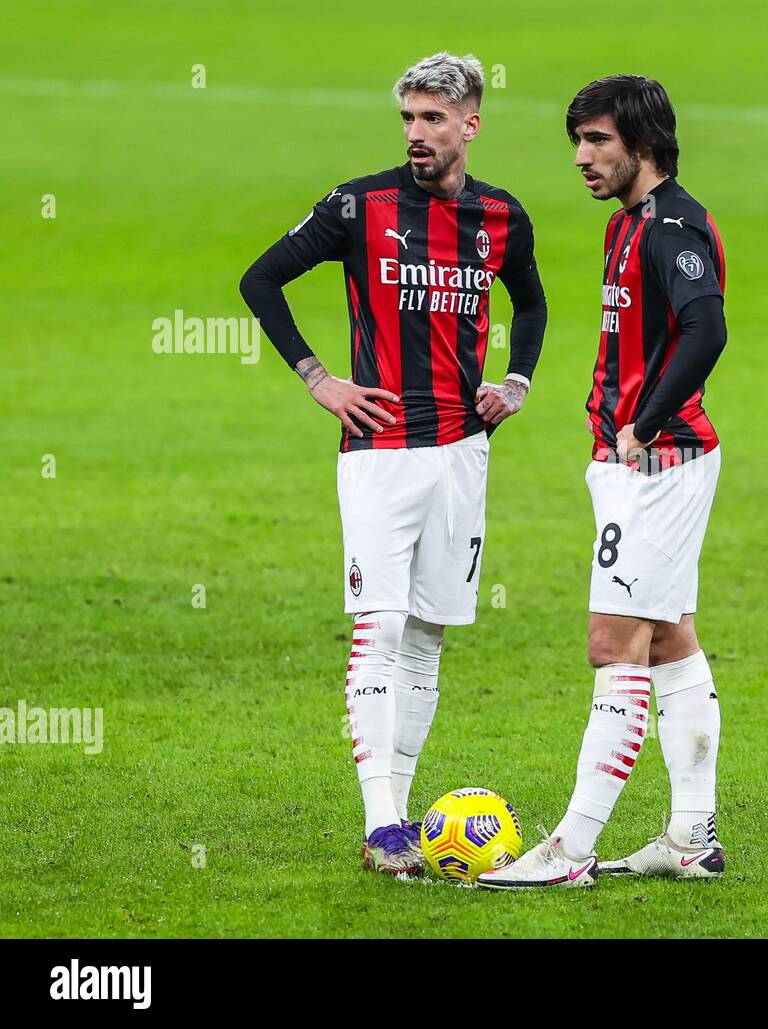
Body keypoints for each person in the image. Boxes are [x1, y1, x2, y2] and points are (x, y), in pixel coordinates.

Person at [239, 52, 546, 874]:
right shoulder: (358, 204)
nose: (416, 133)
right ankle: (381, 825)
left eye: (432, 119)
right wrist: (318, 378)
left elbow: (533, 300)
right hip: (377, 451)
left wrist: (517, 379)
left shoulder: (503, 217)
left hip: (462, 452)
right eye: (408, 117)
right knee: (379, 624)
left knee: (430, 635)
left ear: (470, 125)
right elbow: (261, 279)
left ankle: (403, 819)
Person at [479, 74, 726, 890]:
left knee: (611, 644)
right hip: (643, 465)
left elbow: (706, 327)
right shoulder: (631, 224)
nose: (582, 158)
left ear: (643, 146)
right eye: (577, 141)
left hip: (656, 466)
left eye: (598, 142)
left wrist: (644, 423)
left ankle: (570, 848)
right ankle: (692, 836)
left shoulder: (672, 228)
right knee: (667, 638)